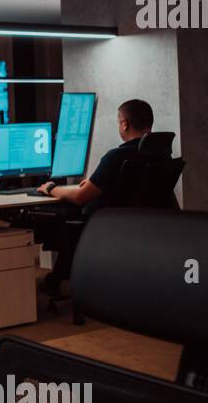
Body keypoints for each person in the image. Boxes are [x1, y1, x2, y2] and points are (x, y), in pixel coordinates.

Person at [36, 98, 155, 294]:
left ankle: (56, 280)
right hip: (142, 222)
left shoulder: (117, 156)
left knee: (61, 218)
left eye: (119, 121)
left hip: (104, 224)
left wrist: (51, 188)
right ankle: (56, 280)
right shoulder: (159, 153)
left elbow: (81, 197)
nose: (119, 126)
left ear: (124, 124)